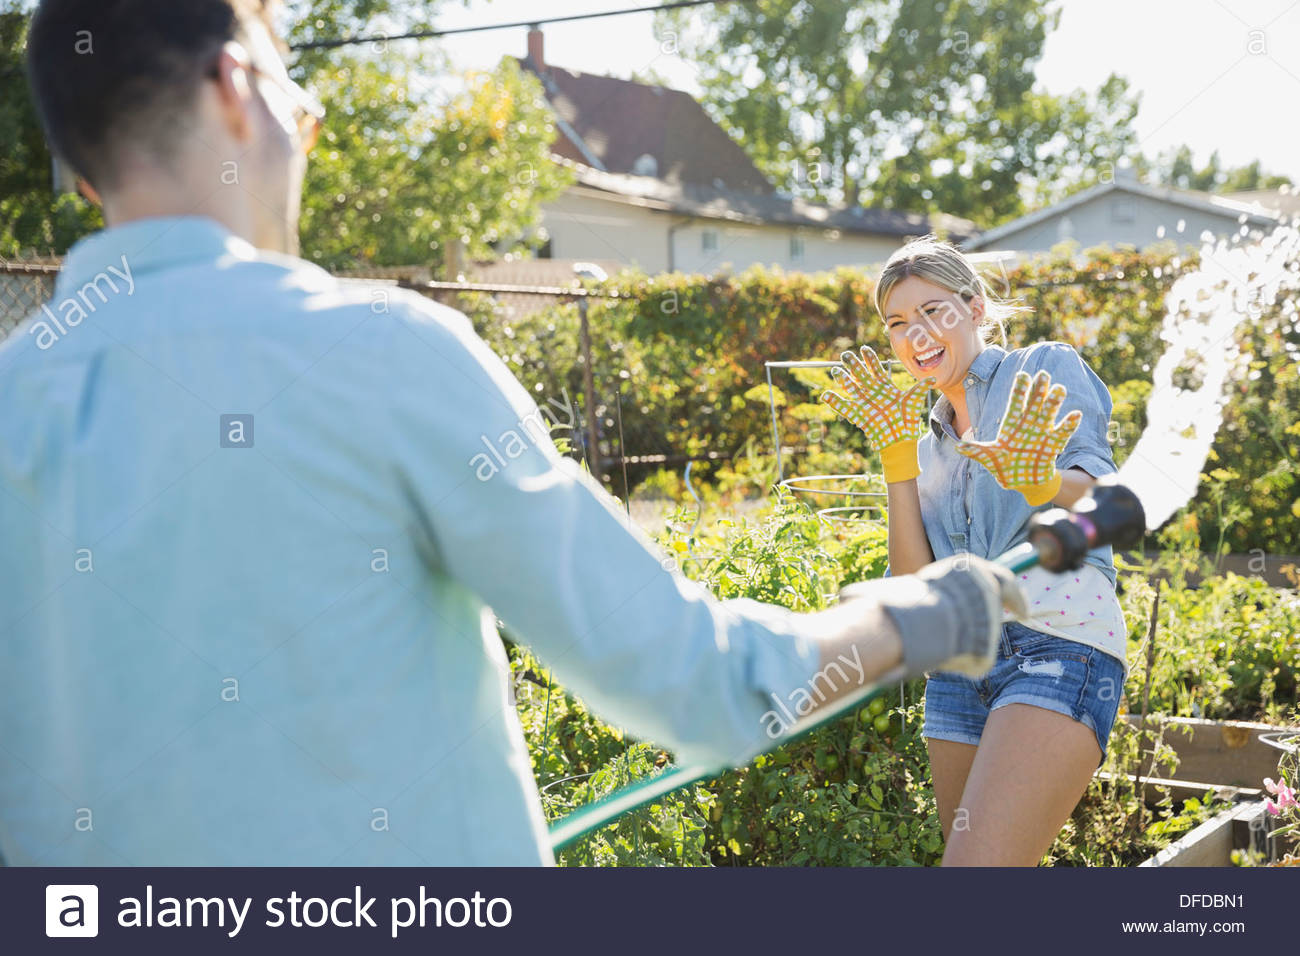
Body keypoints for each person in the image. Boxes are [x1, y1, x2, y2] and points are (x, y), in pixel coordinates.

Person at [0, 0, 1025, 866]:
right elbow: (698, 680)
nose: (303, 133)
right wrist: (928, 613)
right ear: (234, 88)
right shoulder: (378, 351)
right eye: (292, 92)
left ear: (87, 176)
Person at [822, 236, 1129, 867]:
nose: (917, 335)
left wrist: (1042, 481)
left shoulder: (1040, 371)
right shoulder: (928, 442)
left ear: (976, 306)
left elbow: (1116, 507)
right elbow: (913, 585)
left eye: (935, 311)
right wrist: (896, 461)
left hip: (1057, 642)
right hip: (959, 672)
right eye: (898, 323)